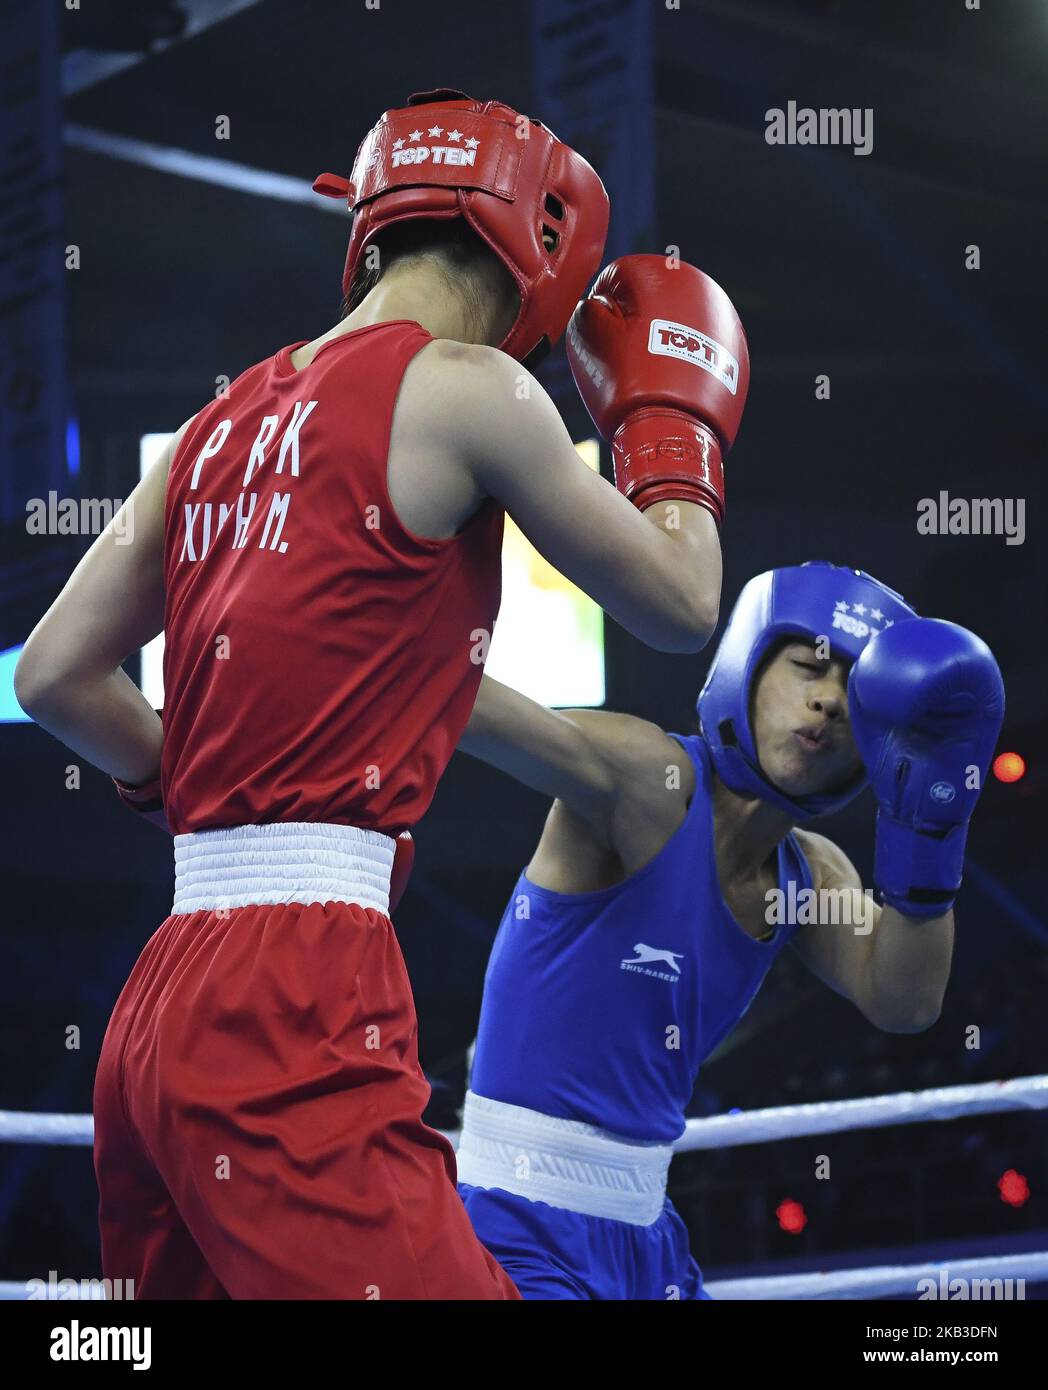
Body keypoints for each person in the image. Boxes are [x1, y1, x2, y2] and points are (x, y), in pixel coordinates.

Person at [13, 88, 749, 1299]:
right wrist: (673, 424)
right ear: (541, 241)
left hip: (158, 1002)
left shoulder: (212, 426)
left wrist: (197, 793)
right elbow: (679, 599)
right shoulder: (471, 389)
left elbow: (52, 675)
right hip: (293, 994)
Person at [454, 561, 1005, 1299]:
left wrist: (932, 826)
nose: (830, 700)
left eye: (858, 692)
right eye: (808, 666)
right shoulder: (647, 782)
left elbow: (904, 1002)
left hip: (647, 1232)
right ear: (747, 663)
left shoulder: (810, 874)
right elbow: (462, 703)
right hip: (514, 1222)